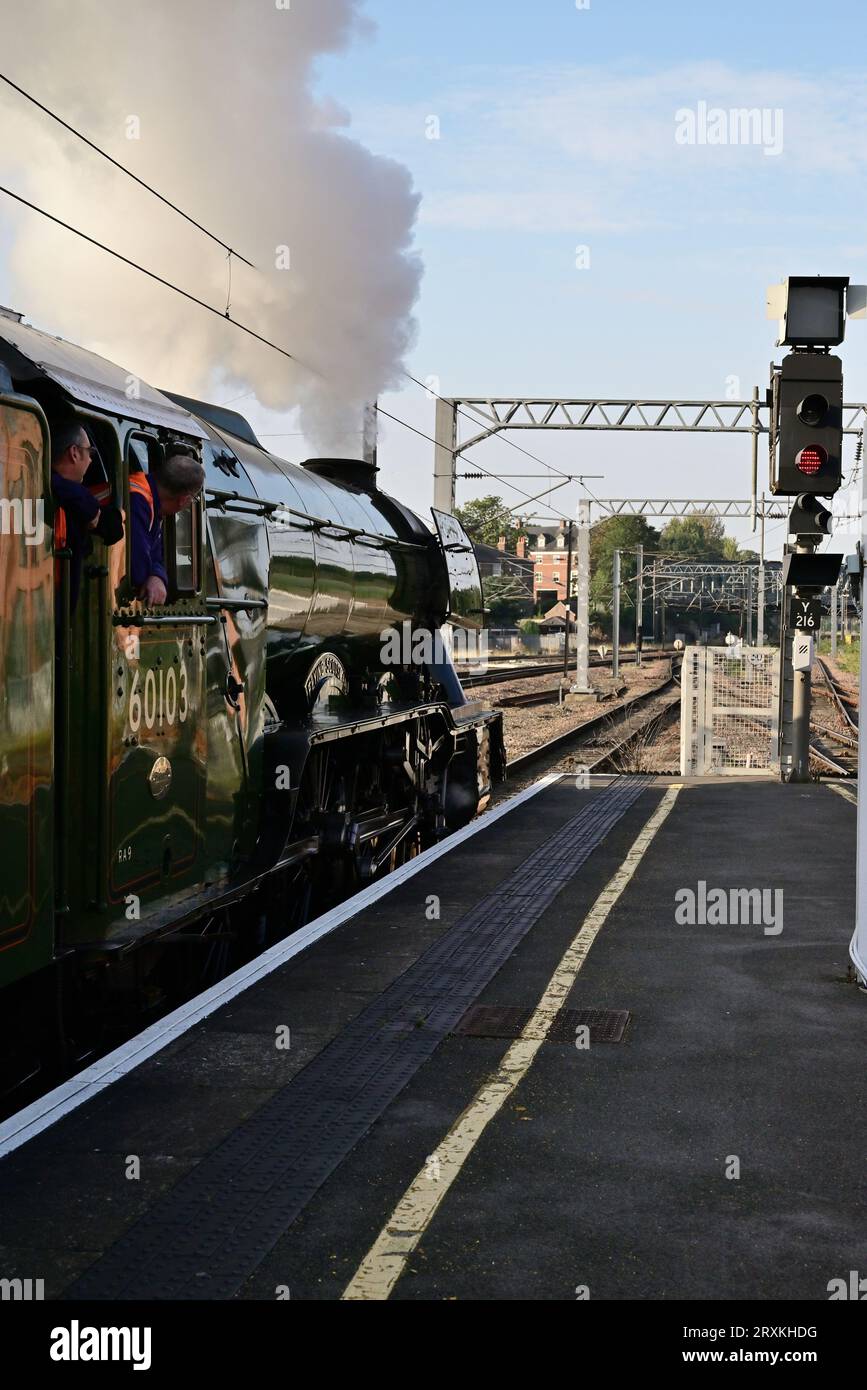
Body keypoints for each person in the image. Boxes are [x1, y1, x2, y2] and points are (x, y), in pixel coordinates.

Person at [51, 420, 124, 612]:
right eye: (89, 452)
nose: (91, 460)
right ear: (74, 453)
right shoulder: (70, 493)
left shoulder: (71, 497)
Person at [129, 449, 205, 606]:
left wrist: (157, 575)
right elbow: (138, 567)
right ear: (183, 500)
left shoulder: (151, 504)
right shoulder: (137, 501)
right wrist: (151, 576)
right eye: (193, 499)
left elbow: (155, 554)